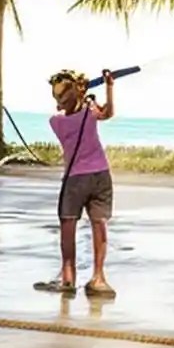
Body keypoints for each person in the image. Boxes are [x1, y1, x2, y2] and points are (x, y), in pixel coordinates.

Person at [33, 68, 117, 297]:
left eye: (59, 96)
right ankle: (98, 278)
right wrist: (108, 88)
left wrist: (83, 100)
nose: (58, 101)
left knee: (68, 226)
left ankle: (69, 277)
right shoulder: (90, 111)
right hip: (101, 174)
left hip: (75, 179)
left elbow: (68, 111)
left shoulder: (56, 122)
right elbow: (107, 113)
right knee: (99, 225)